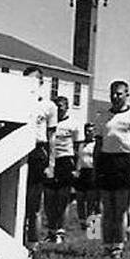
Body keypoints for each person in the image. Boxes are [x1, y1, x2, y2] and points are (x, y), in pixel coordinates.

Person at [96, 81, 130, 259]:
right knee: (107, 208)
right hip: (105, 161)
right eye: (113, 94)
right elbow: (98, 144)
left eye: (119, 94)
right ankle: (107, 245)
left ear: (126, 95)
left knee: (120, 209)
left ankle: (118, 245)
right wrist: (96, 167)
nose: (115, 97)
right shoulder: (103, 117)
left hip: (123, 162)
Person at [21, 70, 59, 259]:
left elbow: (52, 137)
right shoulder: (18, 101)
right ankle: (15, 244)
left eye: (34, 80)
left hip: (39, 152)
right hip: (19, 150)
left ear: (42, 83)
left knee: (34, 206)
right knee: (17, 203)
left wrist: (51, 163)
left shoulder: (49, 106)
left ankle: (32, 246)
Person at [42, 95, 84, 243]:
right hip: (51, 161)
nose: (58, 108)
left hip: (66, 162)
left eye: (61, 105)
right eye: (55, 105)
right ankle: (51, 230)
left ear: (66, 107)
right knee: (49, 200)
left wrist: (77, 168)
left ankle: (60, 231)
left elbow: (79, 148)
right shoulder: (48, 123)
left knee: (62, 200)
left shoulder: (74, 124)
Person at [75, 123, 99, 229]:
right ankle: (82, 222)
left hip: (92, 172)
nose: (88, 133)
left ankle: (92, 226)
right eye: (86, 131)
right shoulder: (81, 144)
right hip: (82, 172)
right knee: (80, 199)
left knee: (91, 200)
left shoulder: (96, 144)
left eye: (90, 131)